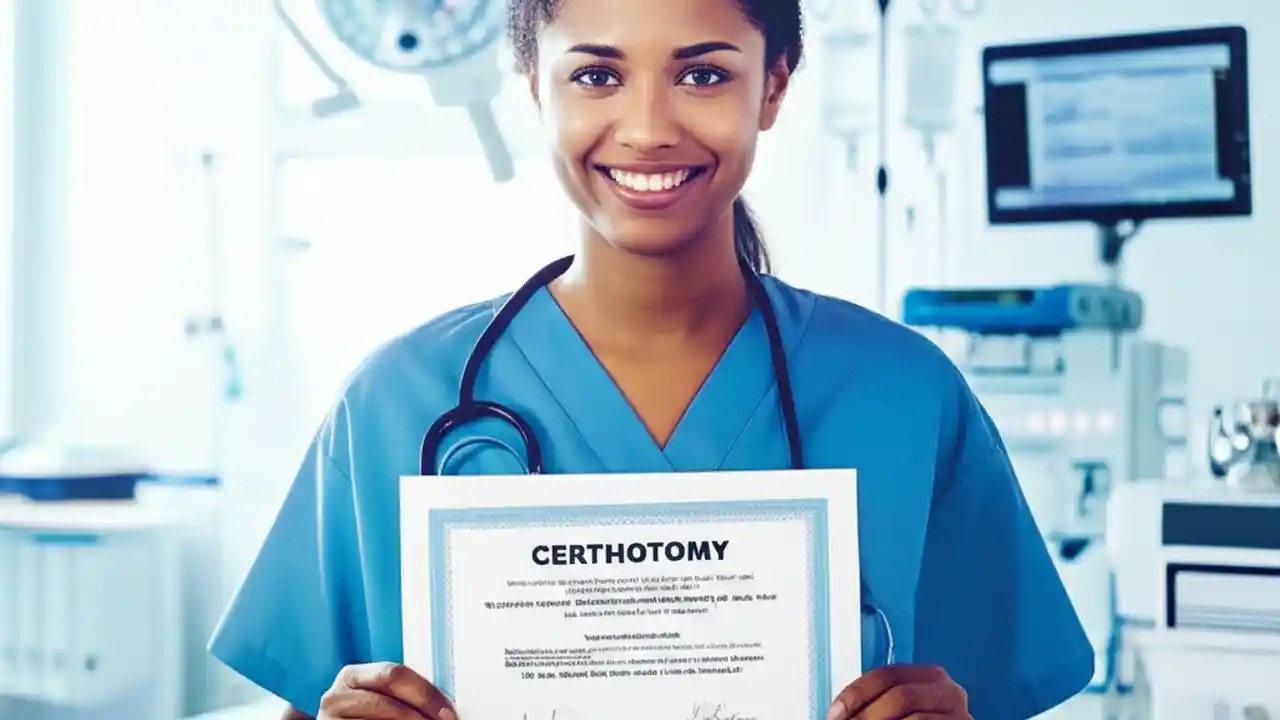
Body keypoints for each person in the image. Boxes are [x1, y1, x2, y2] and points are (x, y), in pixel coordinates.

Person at [208, 0, 1096, 718]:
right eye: (597, 75)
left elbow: (995, 692)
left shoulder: (904, 394)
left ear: (774, 85)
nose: (646, 129)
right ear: (534, 84)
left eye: (703, 75)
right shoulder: (396, 403)